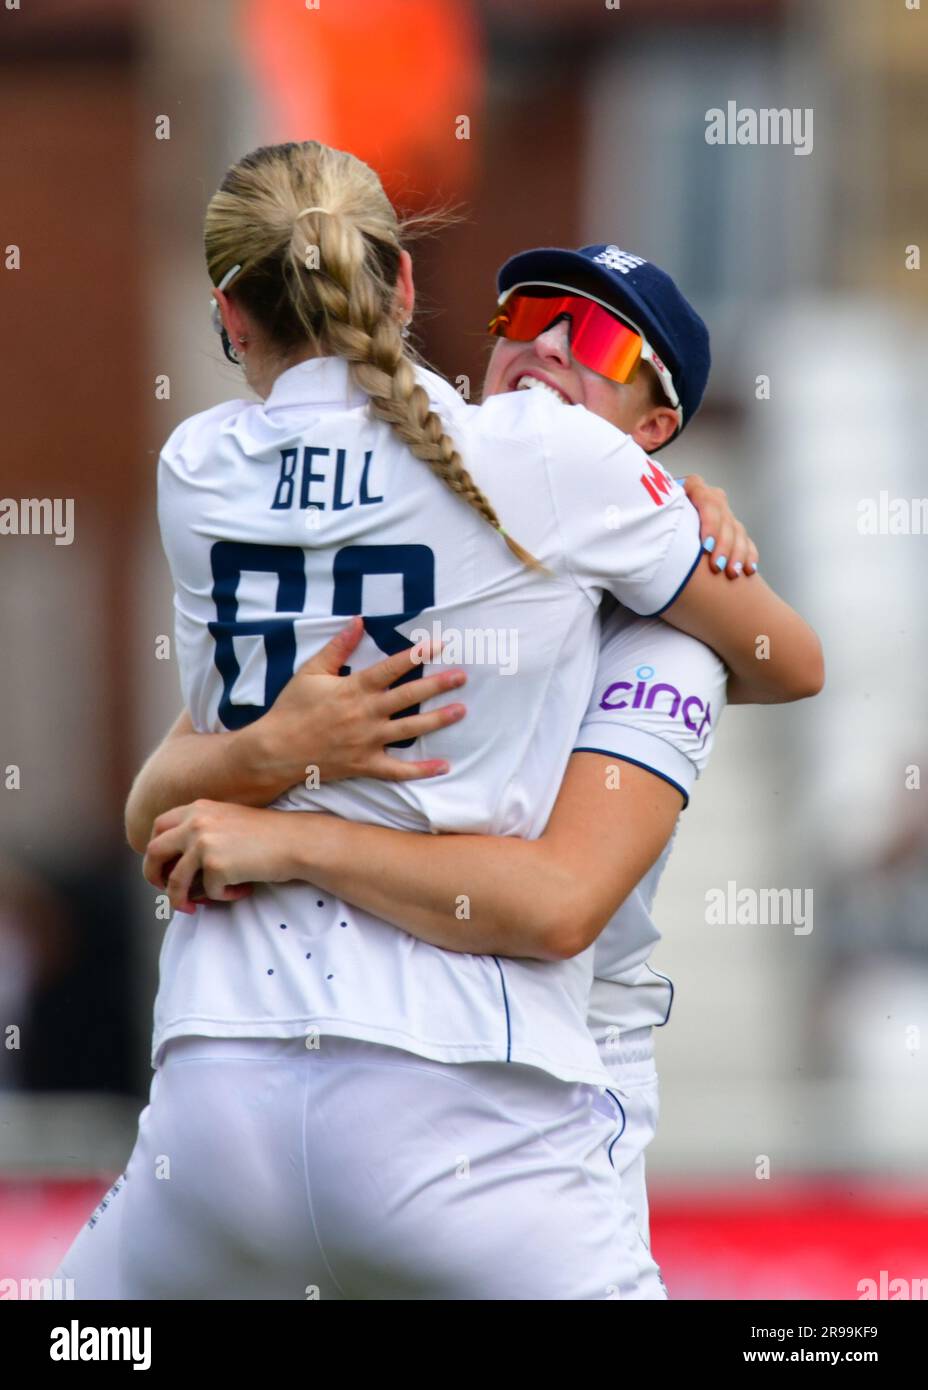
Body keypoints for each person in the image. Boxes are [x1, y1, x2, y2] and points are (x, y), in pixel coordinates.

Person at [57, 140, 822, 1300]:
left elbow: (555, 901)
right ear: (412, 292)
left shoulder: (201, 464)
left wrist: (280, 808)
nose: (554, 346)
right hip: (482, 1116)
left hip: (222, 1101)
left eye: (609, 345)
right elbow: (157, 810)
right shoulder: (540, 474)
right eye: (530, 313)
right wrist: (274, 757)